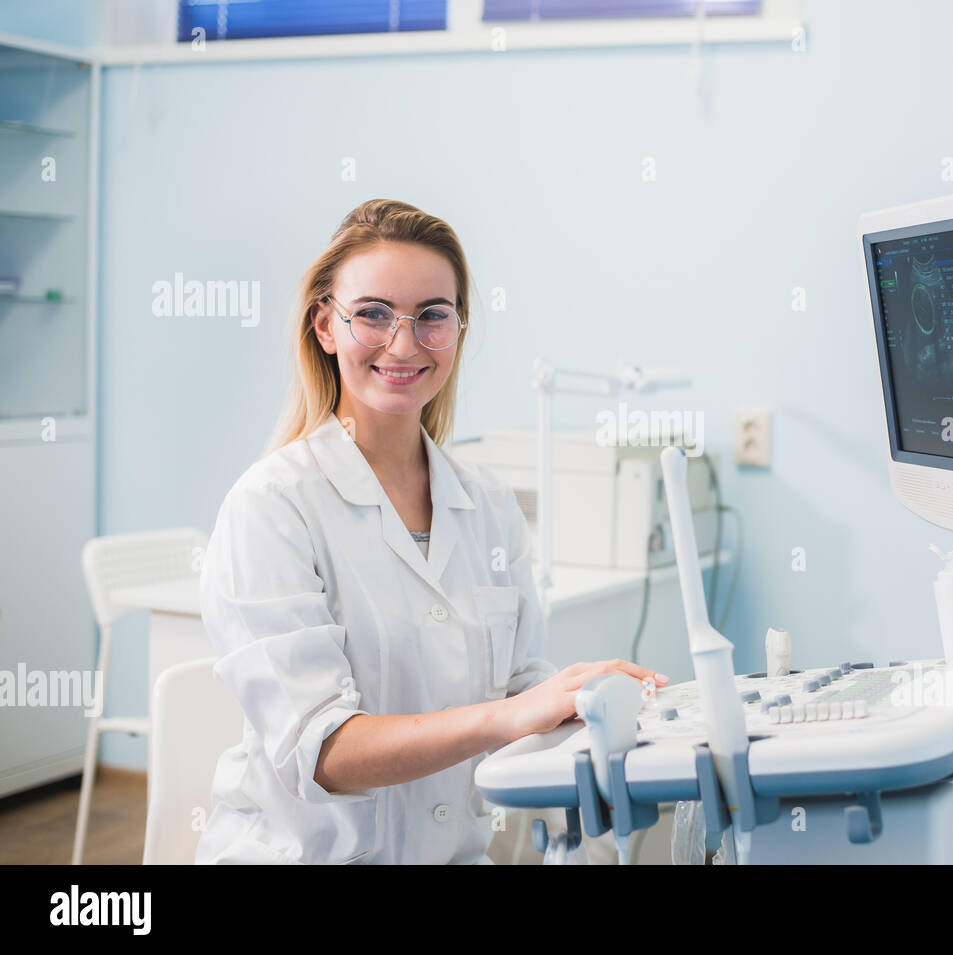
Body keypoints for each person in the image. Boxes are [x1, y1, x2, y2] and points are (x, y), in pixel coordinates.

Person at [195, 199, 665, 864]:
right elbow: (325, 753)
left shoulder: (488, 505)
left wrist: (603, 714)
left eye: (432, 316)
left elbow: (522, 694)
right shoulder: (271, 507)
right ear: (326, 324)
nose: (405, 343)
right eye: (374, 314)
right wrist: (509, 715)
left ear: (459, 328)